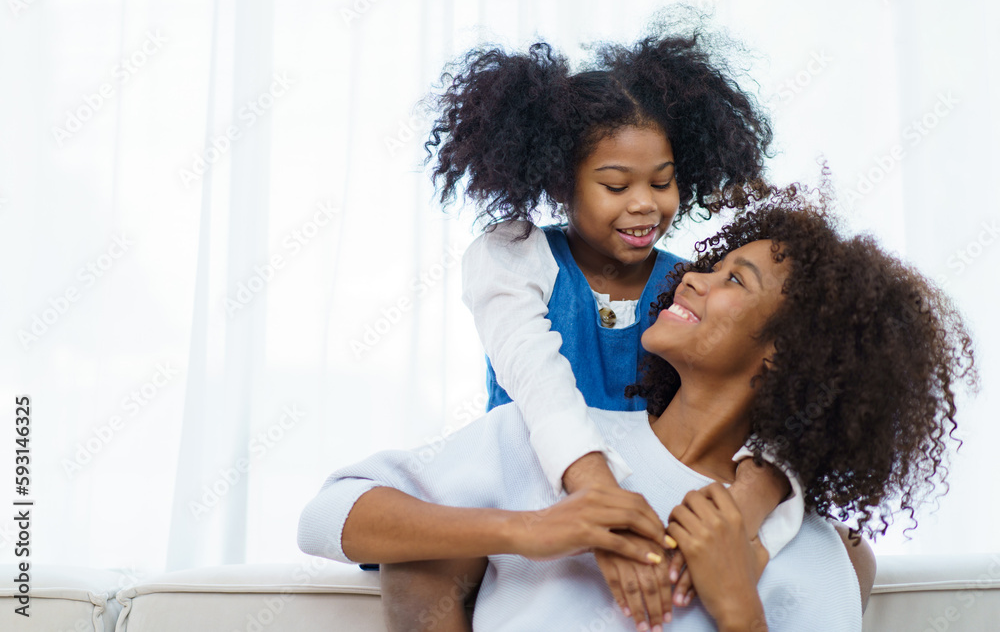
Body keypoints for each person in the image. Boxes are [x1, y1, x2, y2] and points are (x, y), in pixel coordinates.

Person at [298, 194, 977, 631]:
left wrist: (738, 605)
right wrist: (533, 529)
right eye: (711, 265)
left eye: (734, 280)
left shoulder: (813, 553)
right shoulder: (554, 446)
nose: (689, 276)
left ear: (782, 354)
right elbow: (327, 516)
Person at [389, 25, 806, 630]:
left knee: (852, 553)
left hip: (660, 491)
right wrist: (595, 498)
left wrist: (752, 501)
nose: (645, 204)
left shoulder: (690, 284)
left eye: (662, 182)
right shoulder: (513, 256)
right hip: (540, 488)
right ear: (561, 182)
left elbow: (776, 399)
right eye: (616, 185)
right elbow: (540, 383)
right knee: (417, 561)